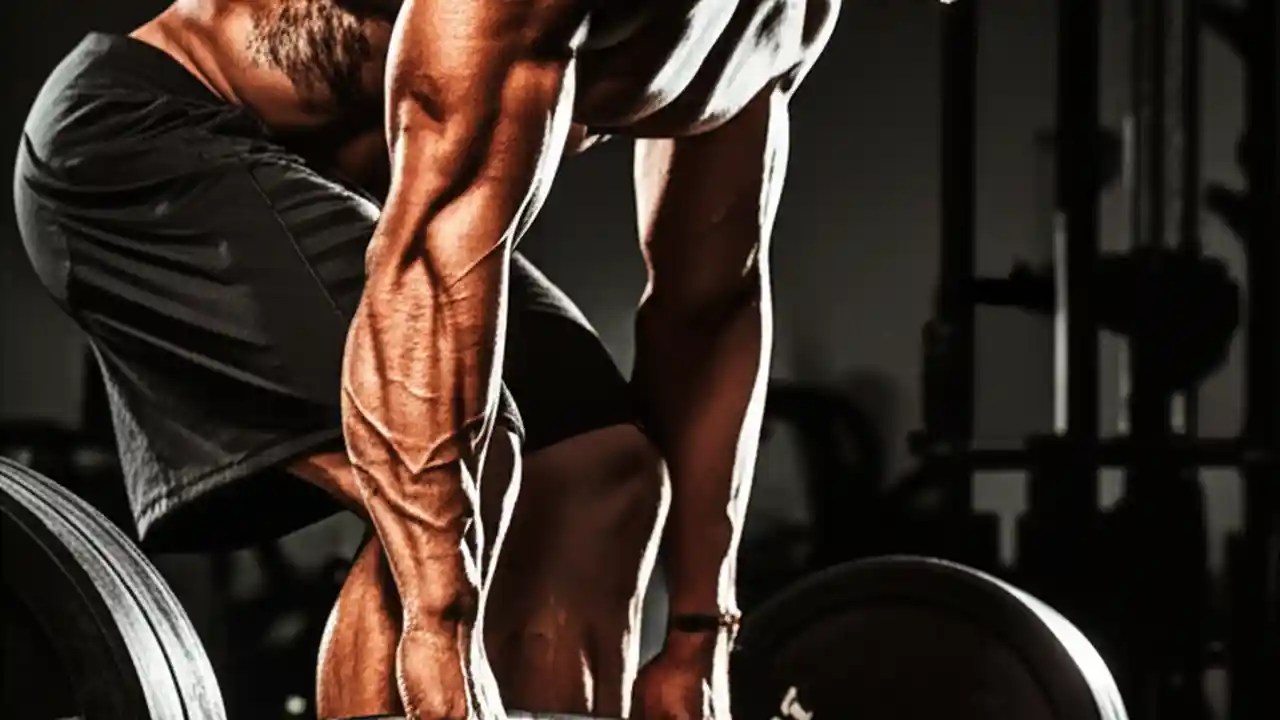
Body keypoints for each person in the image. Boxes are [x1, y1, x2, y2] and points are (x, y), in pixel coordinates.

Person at [14, 0, 838, 718]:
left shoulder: (780, 21)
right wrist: (441, 644)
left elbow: (708, 307)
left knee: (601, 472)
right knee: (458, 474)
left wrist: (700, 638)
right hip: (145, 139)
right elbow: (436, 264)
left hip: (382, 206)